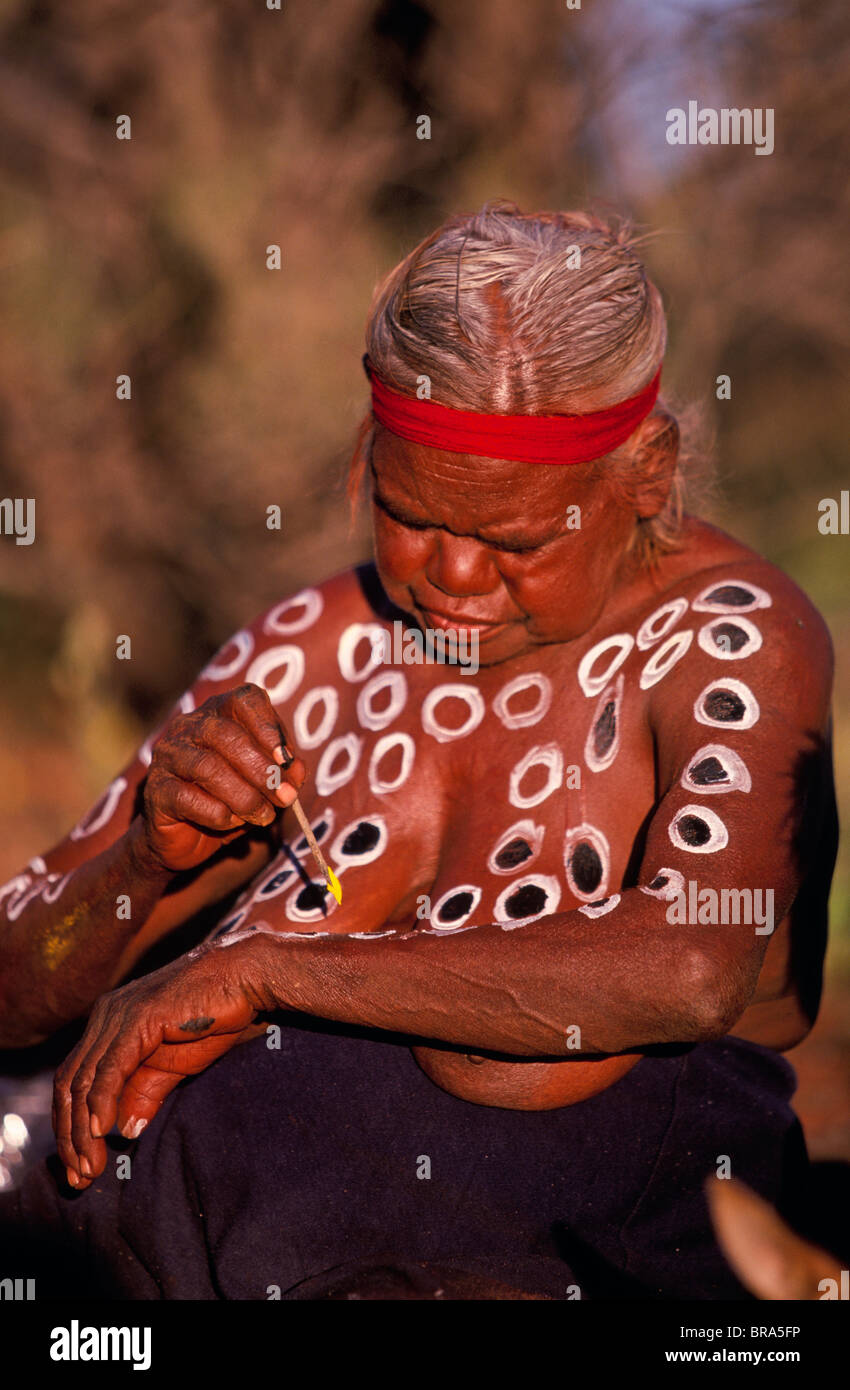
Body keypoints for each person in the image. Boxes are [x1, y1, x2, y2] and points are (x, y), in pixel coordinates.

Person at [0, 201, 837, 1300]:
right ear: (370, 452)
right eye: (408, 514)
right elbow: (16, 987)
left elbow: (689, 961)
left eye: (514, 538)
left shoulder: (727, 640)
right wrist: (145, 862)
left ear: (643, 469)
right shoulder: (321, 643)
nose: (449, 576)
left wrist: (261, 970)